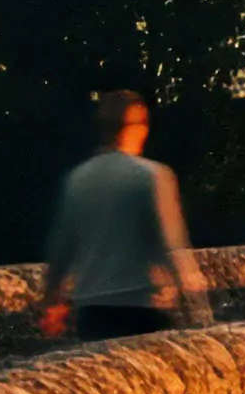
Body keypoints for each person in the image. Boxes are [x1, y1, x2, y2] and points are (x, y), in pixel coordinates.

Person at [38, 90, 212, 340]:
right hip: (144, 305)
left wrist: (51, 298)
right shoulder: (152, 176)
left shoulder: (78, 179)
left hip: (93, 309)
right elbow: (172, 246)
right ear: (139, 127)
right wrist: (201, 315)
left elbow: (62, 248)